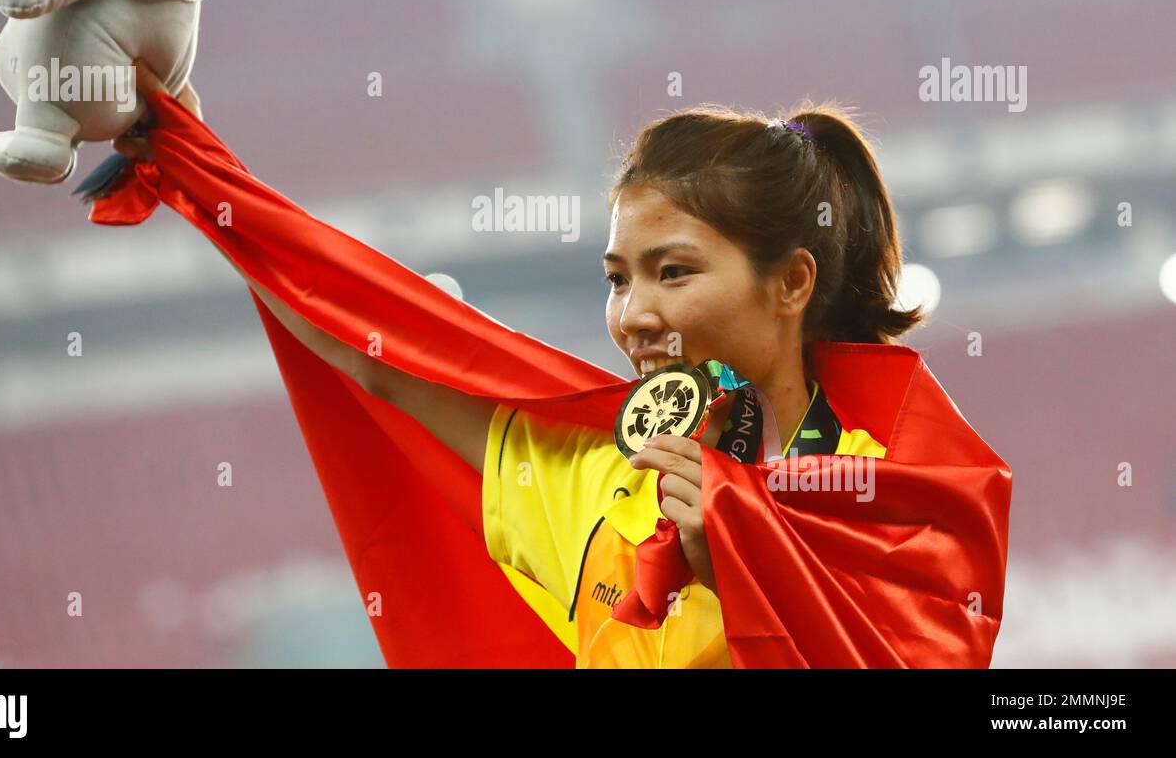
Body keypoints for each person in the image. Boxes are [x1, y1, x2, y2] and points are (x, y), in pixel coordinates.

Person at [113, 60, 1002, 668]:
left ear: (791, 281)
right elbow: (375, 352)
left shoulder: (878, 484)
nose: (635, 315)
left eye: (674, 272)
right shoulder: (600, 477)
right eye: (618, 279)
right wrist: (194, 163)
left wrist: (744, 556)